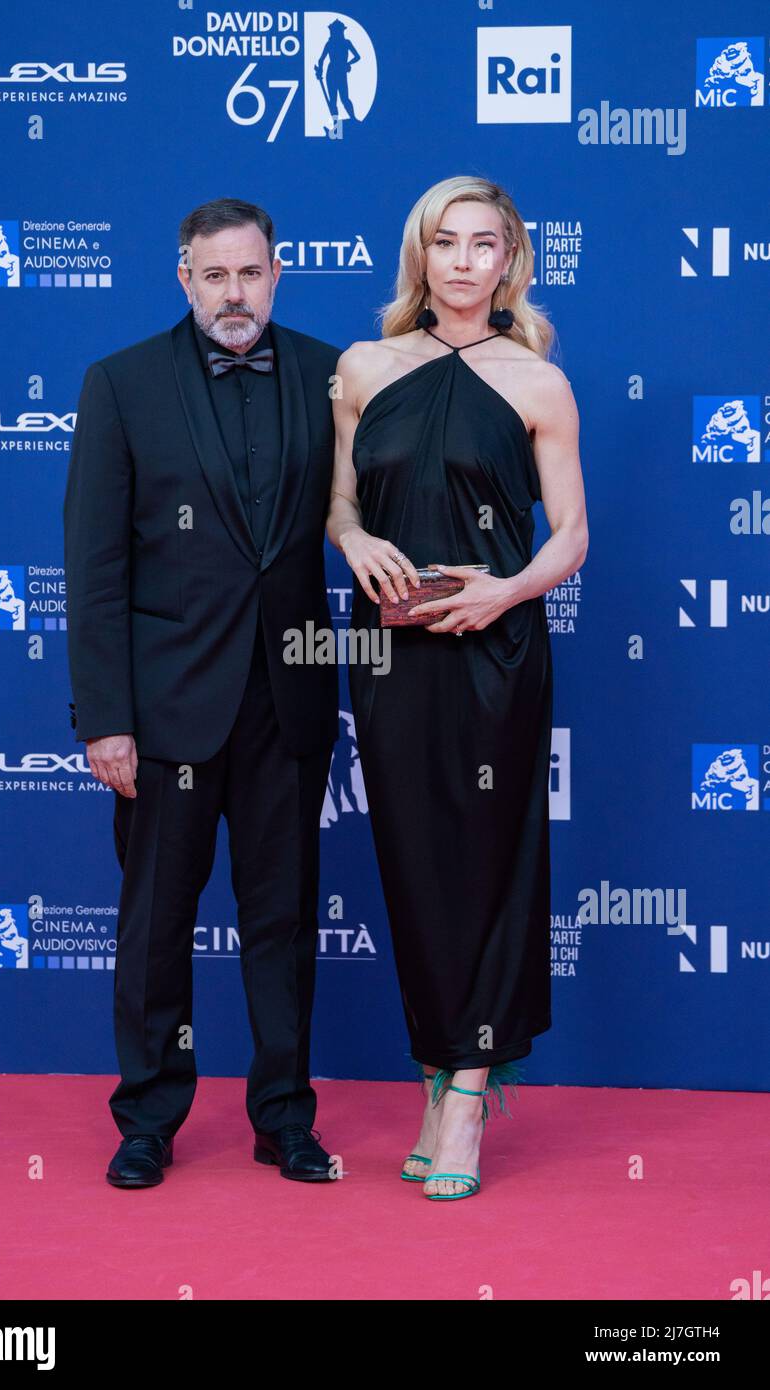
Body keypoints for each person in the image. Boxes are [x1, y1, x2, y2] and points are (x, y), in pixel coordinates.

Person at [63, 198, 341, 1187]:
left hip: (289, 699)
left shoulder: (328, 375)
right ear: (183, 278)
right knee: (154, 927)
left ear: (277, 274)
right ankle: (147, 1119)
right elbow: (94, 568)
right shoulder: (122, 384)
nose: (233, 293)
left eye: (250, 274)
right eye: (213, 275)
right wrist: (104, 718)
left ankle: (284, 1117)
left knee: (284, 919)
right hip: (166, 709)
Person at [326, 175, 588, 1200]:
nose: (465, 261)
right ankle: (434, 1073)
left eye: (485, 243)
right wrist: (355, 543)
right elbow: (339, 503)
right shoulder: (362, 366)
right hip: (389, 648)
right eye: (446, 242)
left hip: (495, 651)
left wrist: (508, 590)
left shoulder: (535, 383)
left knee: (489, 858)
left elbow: (569, 534)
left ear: (510, 260)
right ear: (419, 257)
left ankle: (470, 1092)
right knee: (413, 863)